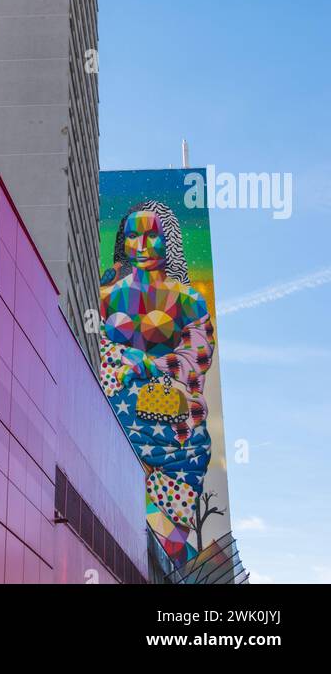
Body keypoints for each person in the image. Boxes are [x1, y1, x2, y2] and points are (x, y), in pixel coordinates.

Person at [99, 200, 215, 565]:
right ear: (124, 243)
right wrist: (121, 362)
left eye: (153, 235)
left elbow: (198, 354)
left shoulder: (189, 299)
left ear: (170, 241)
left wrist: (147, 363)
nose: (144, 245)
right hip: (119, 414)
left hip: (175, 419)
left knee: (187, 458)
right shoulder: (106, 298)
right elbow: (94, 349)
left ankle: (167, 555)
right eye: (134, 236)